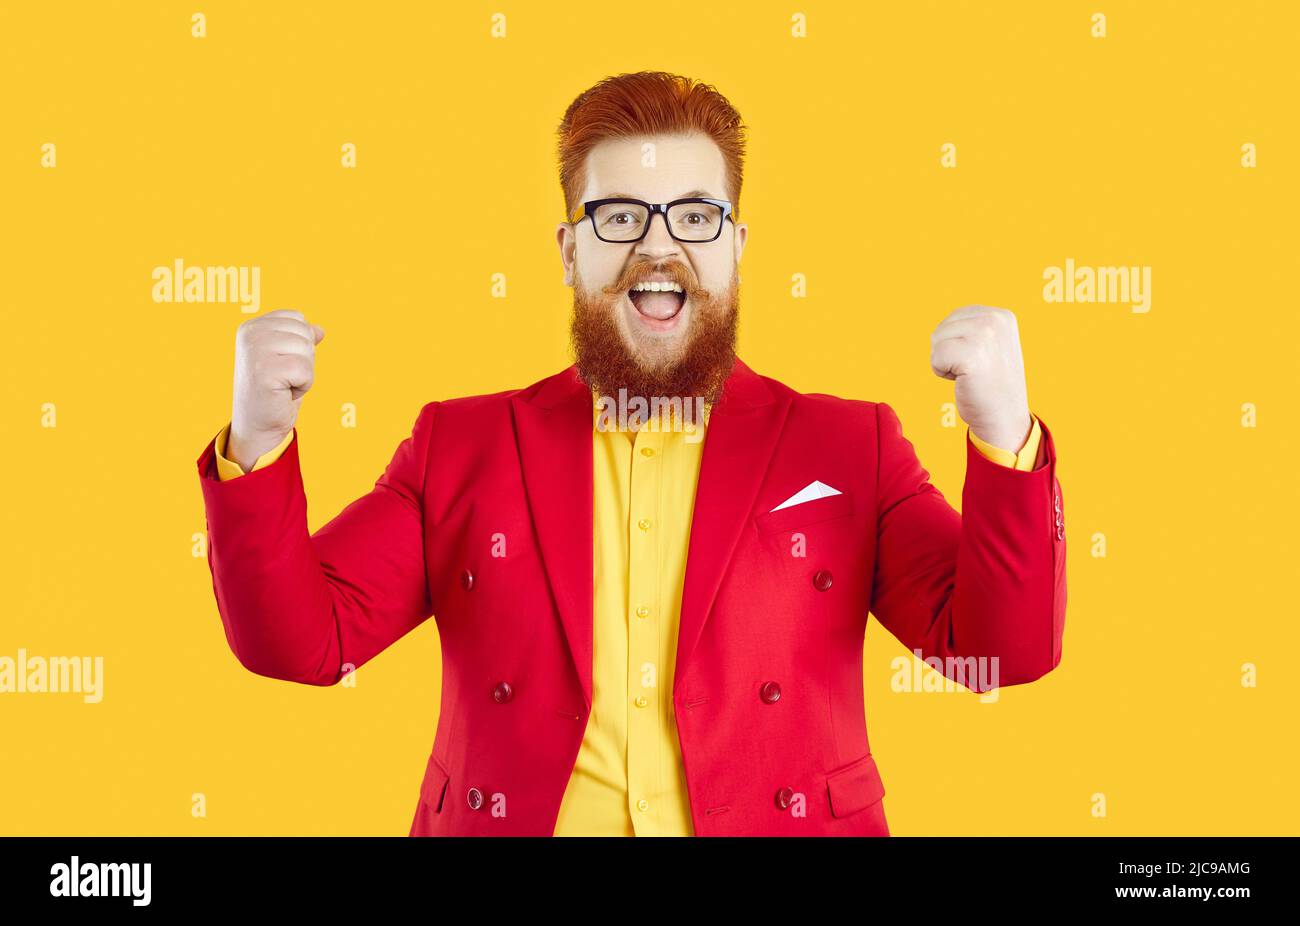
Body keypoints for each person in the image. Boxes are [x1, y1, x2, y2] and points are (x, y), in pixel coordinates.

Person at [195, 70, 1067, 836]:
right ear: (571, 250)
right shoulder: (457, 444)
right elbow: (304, 644)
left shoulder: (850, 444)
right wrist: (259, 443)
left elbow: (996, 650)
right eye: (618, 216)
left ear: (736, 246)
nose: (658, 246)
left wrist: (1003, 440)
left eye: (695, 214)